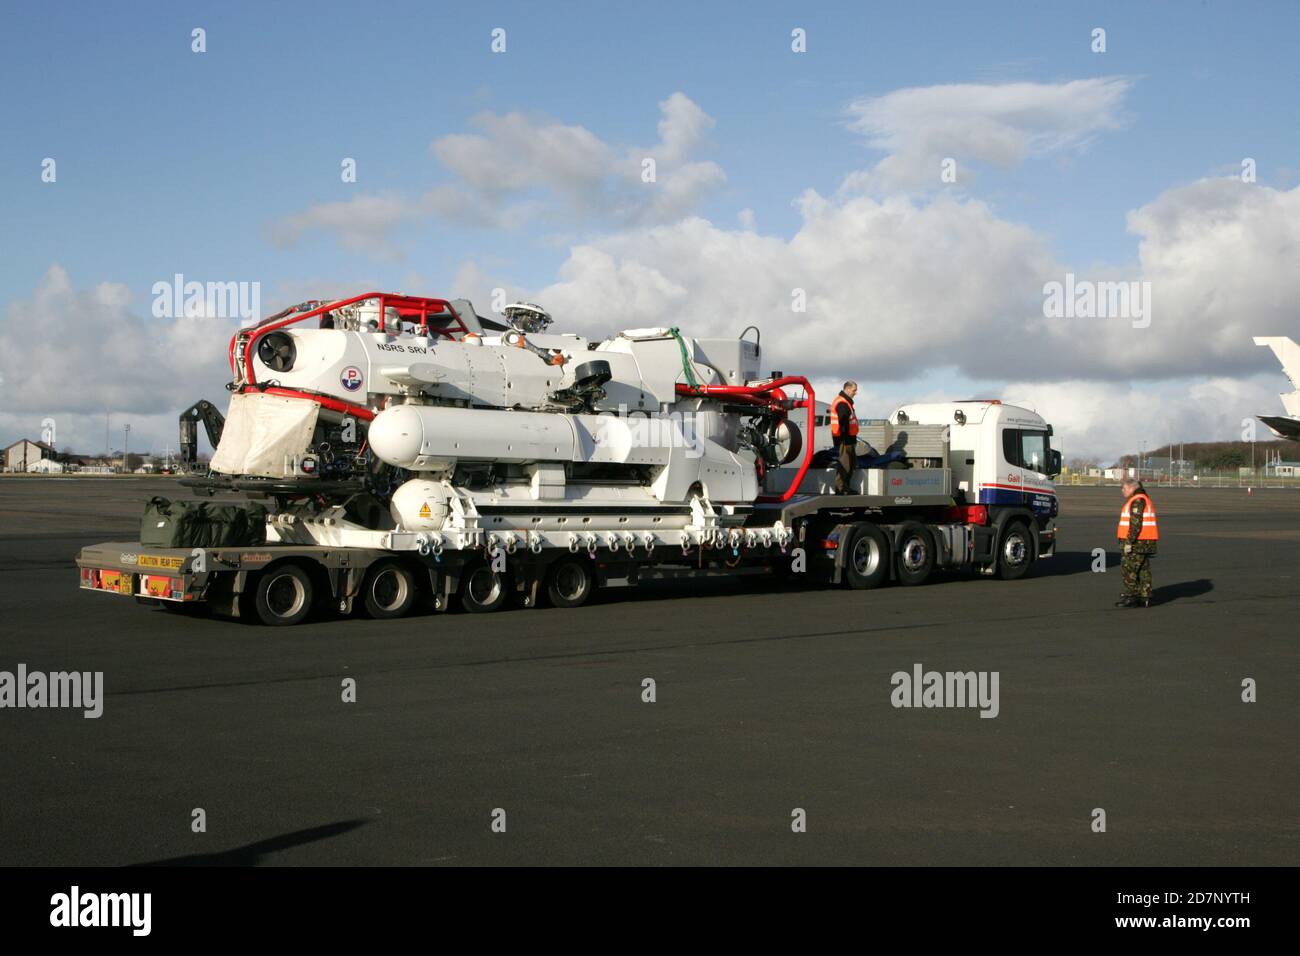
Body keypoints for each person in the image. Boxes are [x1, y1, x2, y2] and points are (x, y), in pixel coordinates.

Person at [1116, 475, 1158, 608]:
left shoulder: (1137, 500)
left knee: (1129, 569)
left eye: (1124, 488)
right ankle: (1145, 597)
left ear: (1132, 488)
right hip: (1146, 541)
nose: (1122, 491)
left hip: (1137, 542)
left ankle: (1131, 596)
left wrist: (1129, 542)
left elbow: (1135, 524)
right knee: (1143, 570)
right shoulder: (1144, 499)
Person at [830, 381, 860, 494]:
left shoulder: (845, 402)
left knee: (850, 463)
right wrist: (844, 439)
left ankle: (845, 487)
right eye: (854, 390)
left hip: (848, 438)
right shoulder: (842, 403)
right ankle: (840, 488)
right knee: (845, 464)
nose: (855, 393)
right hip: (845, 439)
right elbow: (843, 422)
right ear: (847, 389)